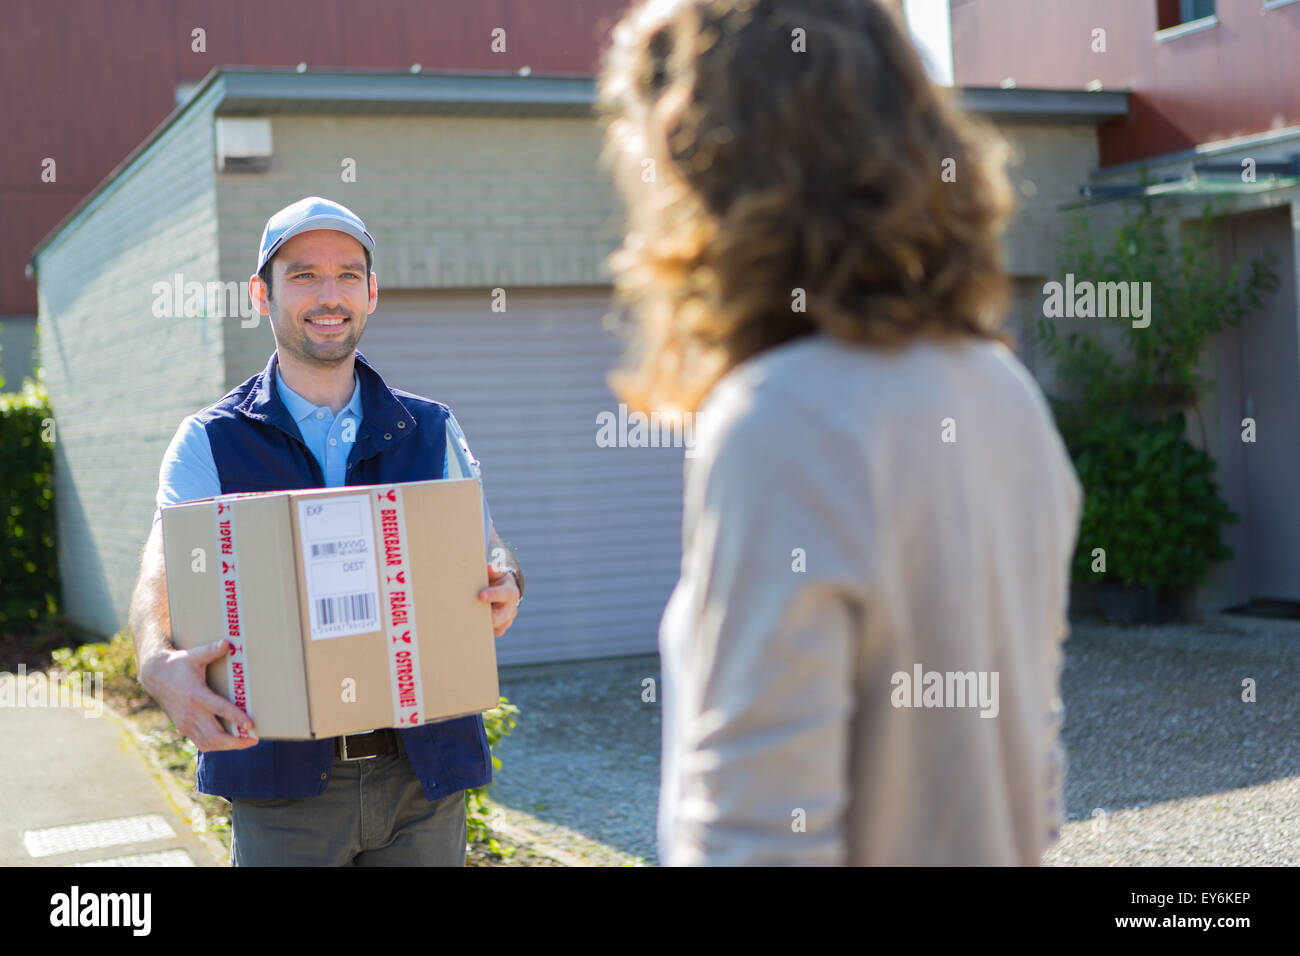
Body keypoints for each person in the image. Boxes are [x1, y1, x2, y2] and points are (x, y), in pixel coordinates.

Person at [597, 0, 1083, 865]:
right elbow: (1035, 791)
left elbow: (757, 840)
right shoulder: (1005, 397)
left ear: (706, 164)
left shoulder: (782, 421)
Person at [128, 196, 524, 866]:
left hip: (422, 780)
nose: (329, 295)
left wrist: (506, 577)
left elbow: (484, 544)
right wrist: (151, 660)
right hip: (281, 781)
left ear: (371, 293)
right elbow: (164, 563)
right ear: (263, 293)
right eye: (304, 274)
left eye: (347, 274)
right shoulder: (211, 441)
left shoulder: (430, 429)